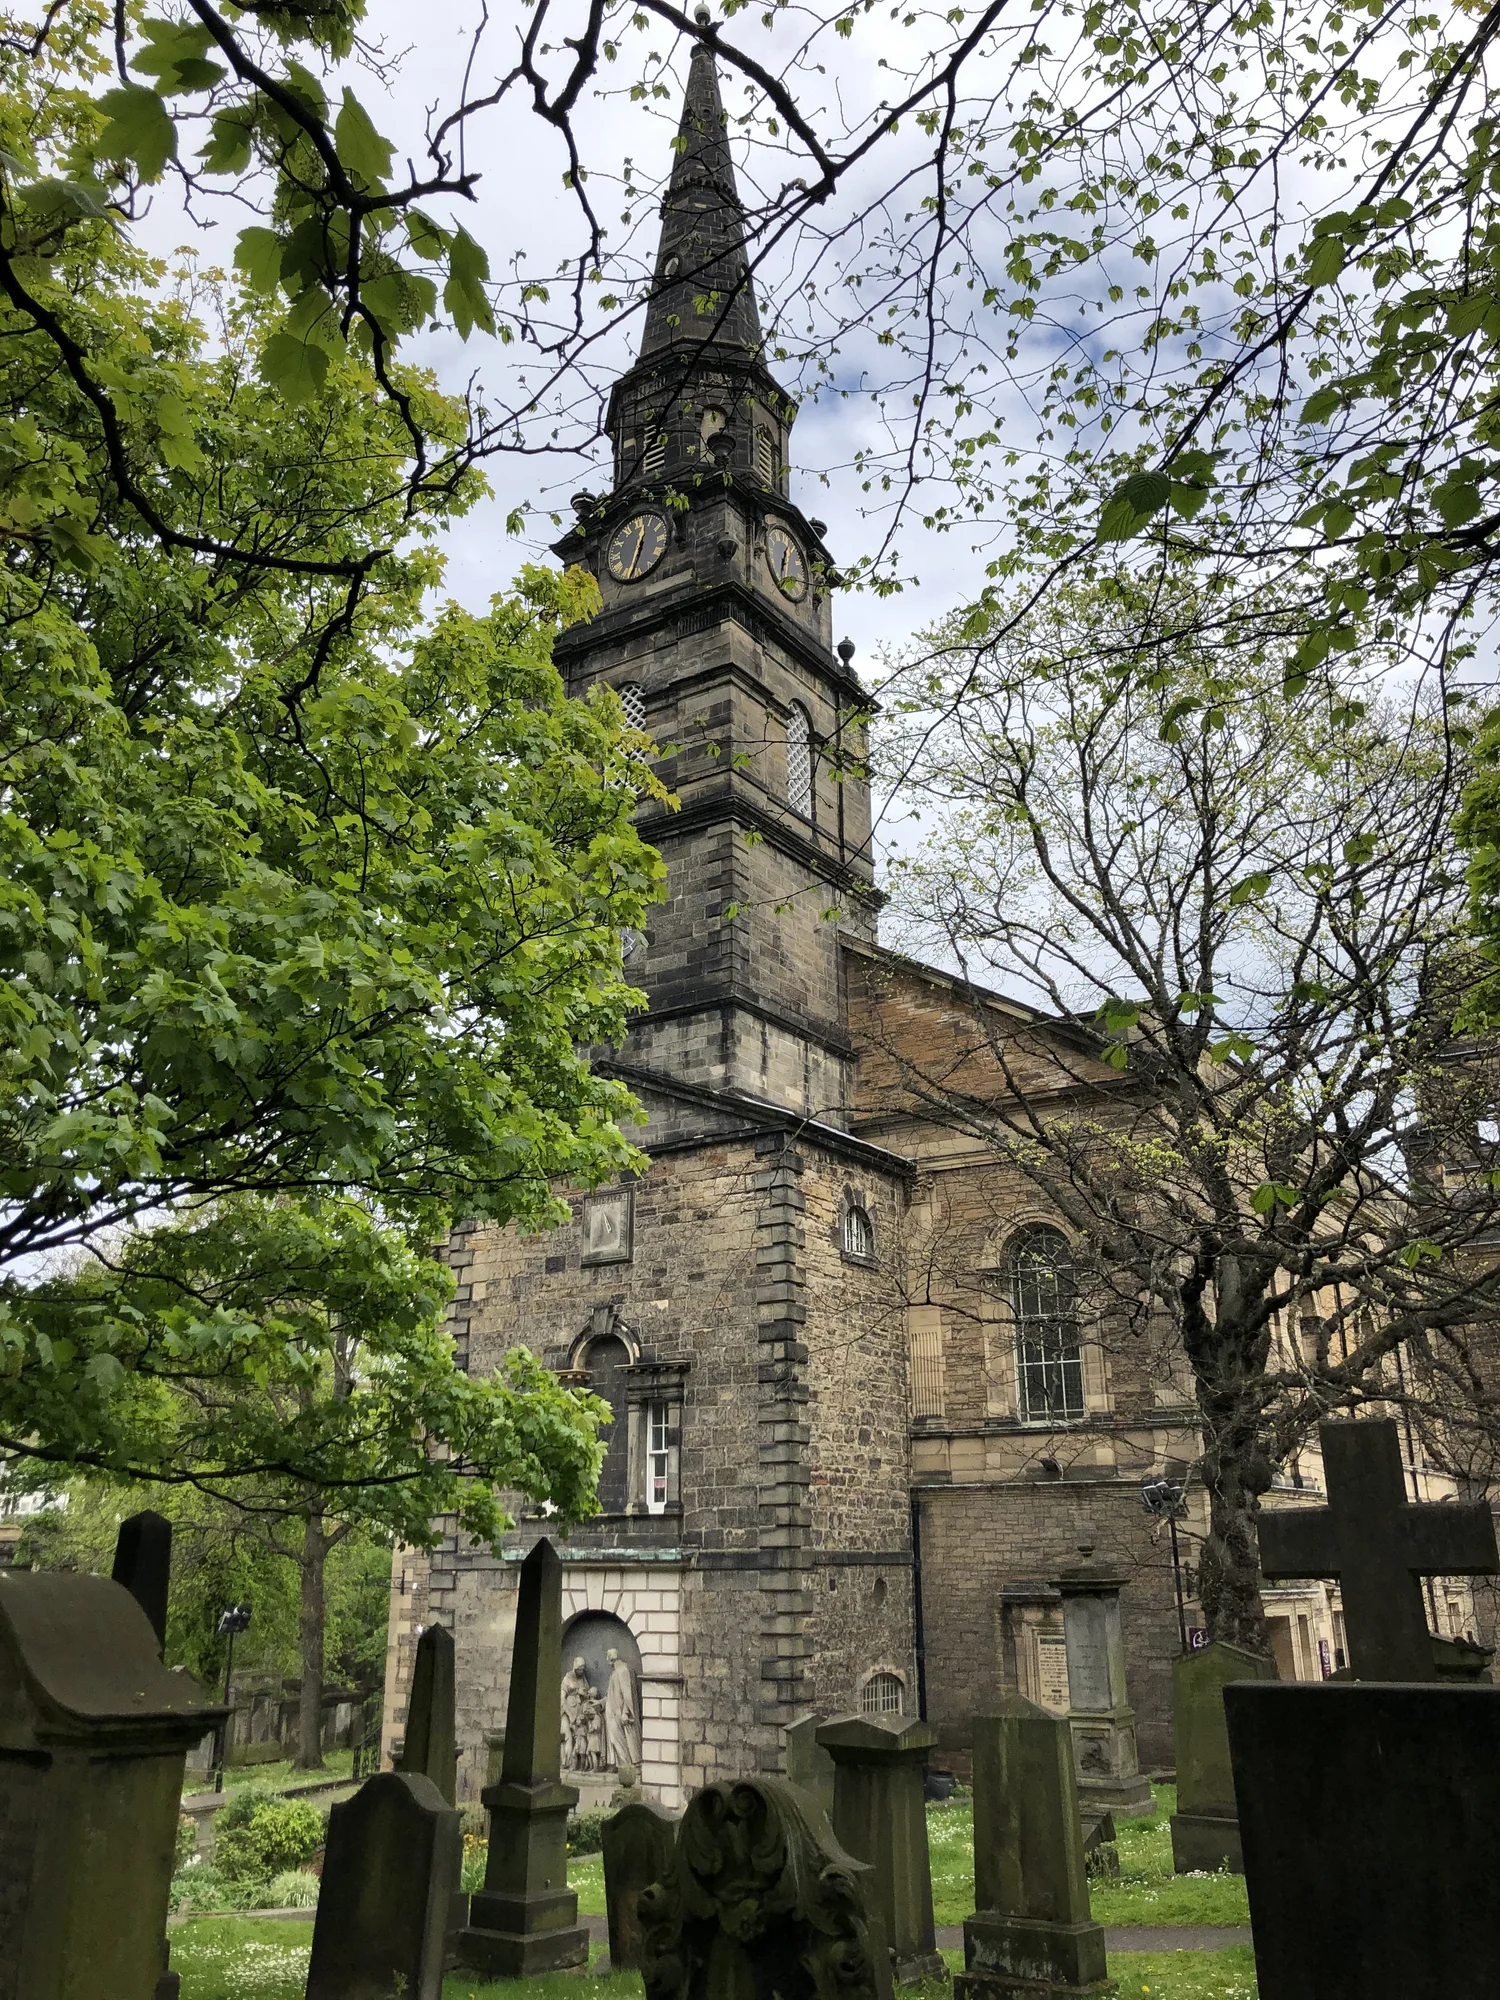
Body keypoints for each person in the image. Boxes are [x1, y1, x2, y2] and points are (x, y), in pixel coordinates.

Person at [604, 1646, 641, 1772]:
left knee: (621, 1741)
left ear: (610, 1659)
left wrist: (626, 1712)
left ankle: (629, 1767)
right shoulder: (615, 1672)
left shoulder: (622, 1670)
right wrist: (599, 1703)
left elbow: (627, 1694)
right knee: (616, 1740)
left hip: (620, 1714)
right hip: (614, 1713)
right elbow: (610, 1696)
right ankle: (624, 1767)